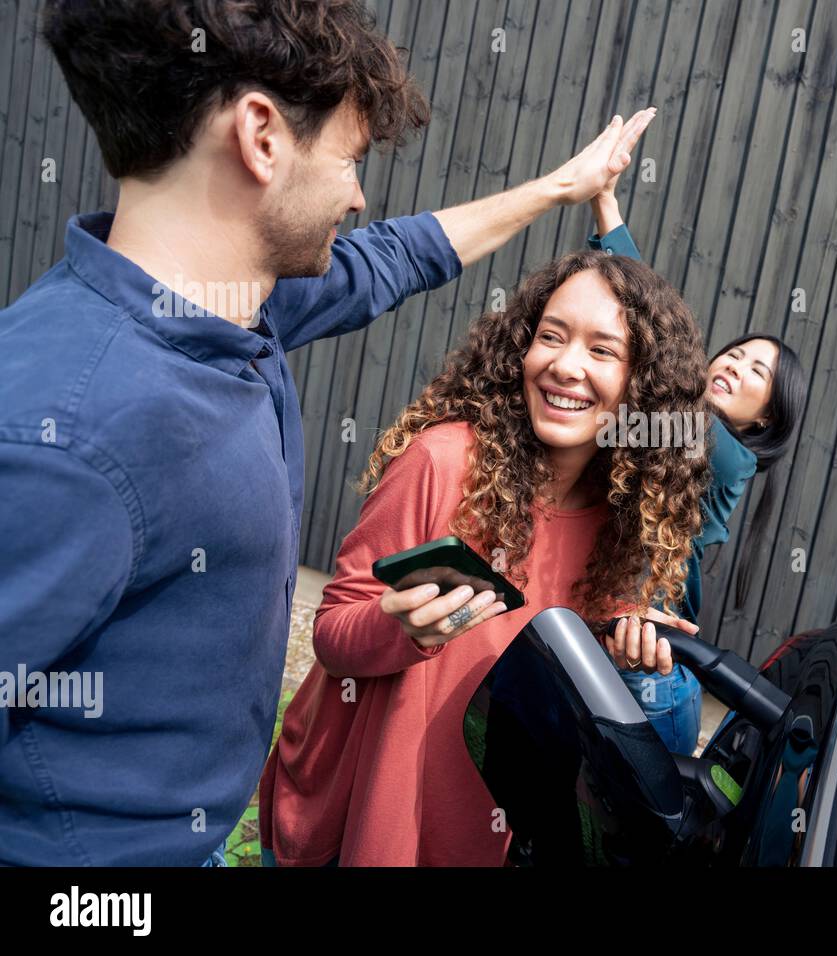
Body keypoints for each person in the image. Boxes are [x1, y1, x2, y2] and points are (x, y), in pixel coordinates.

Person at [0, 0, 654, 866]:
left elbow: (398, 258)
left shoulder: (243, 304)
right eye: (349, 158)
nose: (358, 192)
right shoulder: (66, 429)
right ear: (261, 135)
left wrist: (560, 190)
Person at [258, 251, 711, 866]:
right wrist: (400, 626)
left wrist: (621, 635)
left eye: (602, 350)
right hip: (370, 806)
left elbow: (549, 662)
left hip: (486, 821)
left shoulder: (615, 522)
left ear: (643, 386)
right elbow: (335, 633)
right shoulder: (442, 463)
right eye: (551, 336)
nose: (565, 365)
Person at [584, 182, 807, 755]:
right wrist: (606, 207)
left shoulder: (726, 451)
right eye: (735, 352)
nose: (736, 364)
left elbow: (648, 333)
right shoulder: (669, 418)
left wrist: (609, 215)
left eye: (758, 372)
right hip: (608, 628)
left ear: (764, 418)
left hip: (648, 668)